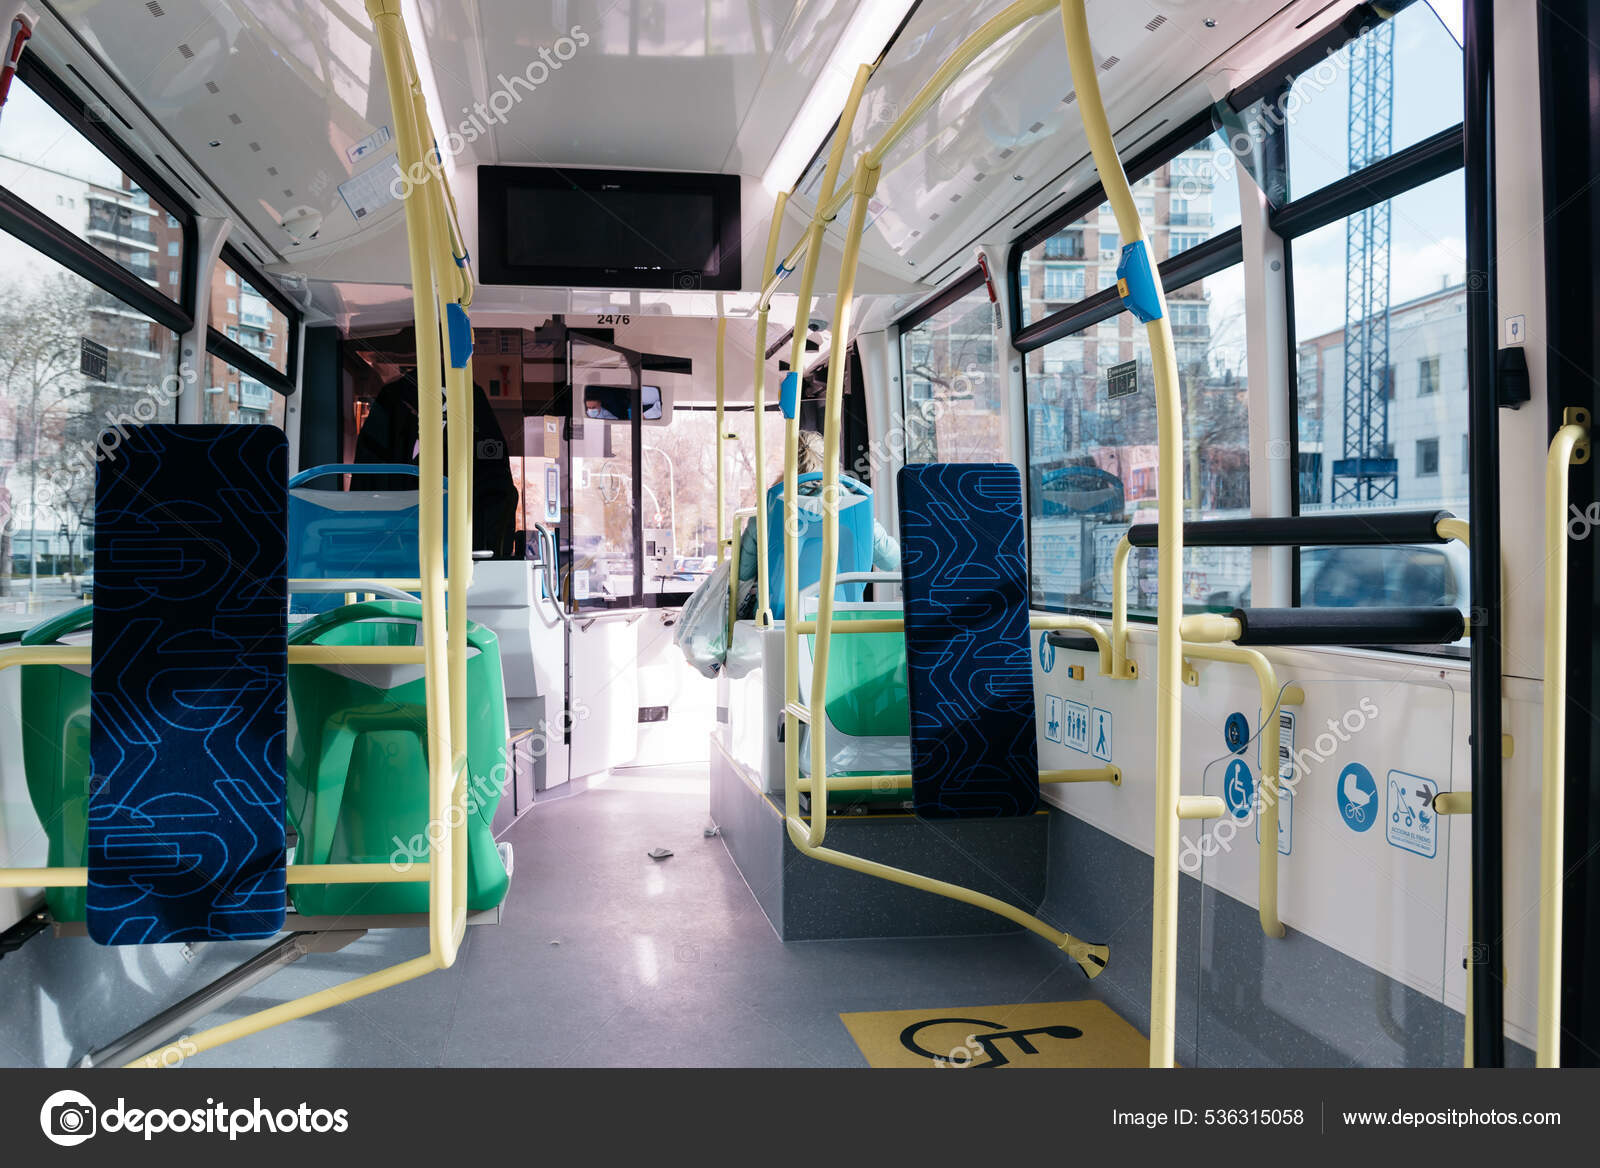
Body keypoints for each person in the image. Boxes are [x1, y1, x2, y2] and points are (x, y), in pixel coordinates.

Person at [352, 371, 519, 558]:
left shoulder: (395, 398)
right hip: (457, 552)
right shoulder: (470, 396)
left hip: (402, 551)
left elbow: (366, 481)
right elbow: (498, 485)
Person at [734, 429, 899, 618]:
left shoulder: (769, 506)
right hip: (841, 617)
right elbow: (890, 560)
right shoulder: (854, 503)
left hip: (778, 618)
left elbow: (743, 572)